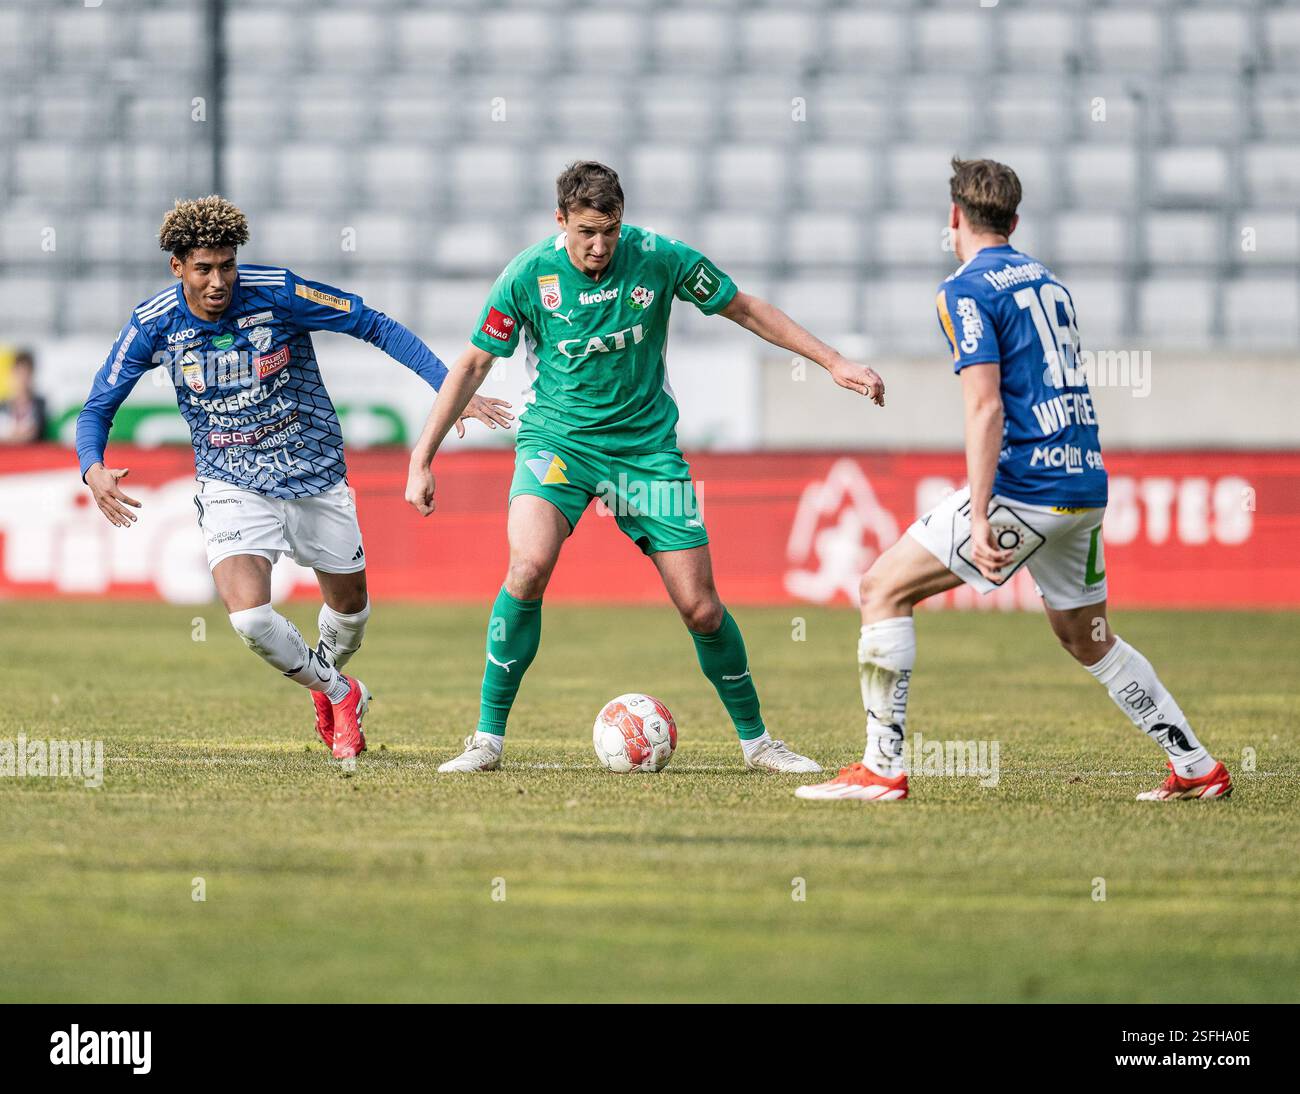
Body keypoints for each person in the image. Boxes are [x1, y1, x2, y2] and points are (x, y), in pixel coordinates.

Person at [405, 161, 886, 774]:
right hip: (559, 445)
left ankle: (759, 743)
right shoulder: (527, 276)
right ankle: (486, 740)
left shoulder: (660, 257)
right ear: (561, 223)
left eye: (609, 230)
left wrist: (833, 361)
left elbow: (745, 309)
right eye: (585, 233)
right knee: (527, 566)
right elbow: (472, 364)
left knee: (702, 608)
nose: (599, 246)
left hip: (646, 453)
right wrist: (423, 457)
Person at [795, 158, 1231, 803]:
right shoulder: (1050, 282)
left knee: (881, 588)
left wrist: (977, 515)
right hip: (1083, 482)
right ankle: (1196, 765)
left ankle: (882, 768)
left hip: (1026, 485)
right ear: (1015, 219)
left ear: (954, 217)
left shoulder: (964, 289)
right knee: (1087, 637)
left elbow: (987, 404)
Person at [75, 195, 512, 762]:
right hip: (232, 482)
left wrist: (448, 389)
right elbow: (96, 409)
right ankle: (338, 691)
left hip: (316, 473)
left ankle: (327, 678)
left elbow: (371, 323)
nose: (218, 281)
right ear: (177, 266)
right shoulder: (153, 324)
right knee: (252, 618)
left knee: (351, 616)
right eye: (203, 268)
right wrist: (92, 468)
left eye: (226, 265)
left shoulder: (278, 291)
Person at [0, 350, 48, 443]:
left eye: (26, 373)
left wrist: (11, 436)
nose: (23, 378)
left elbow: (35, 434)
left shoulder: (39, 404)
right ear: (13, 373)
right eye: (20, 372)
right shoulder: (3, 405)